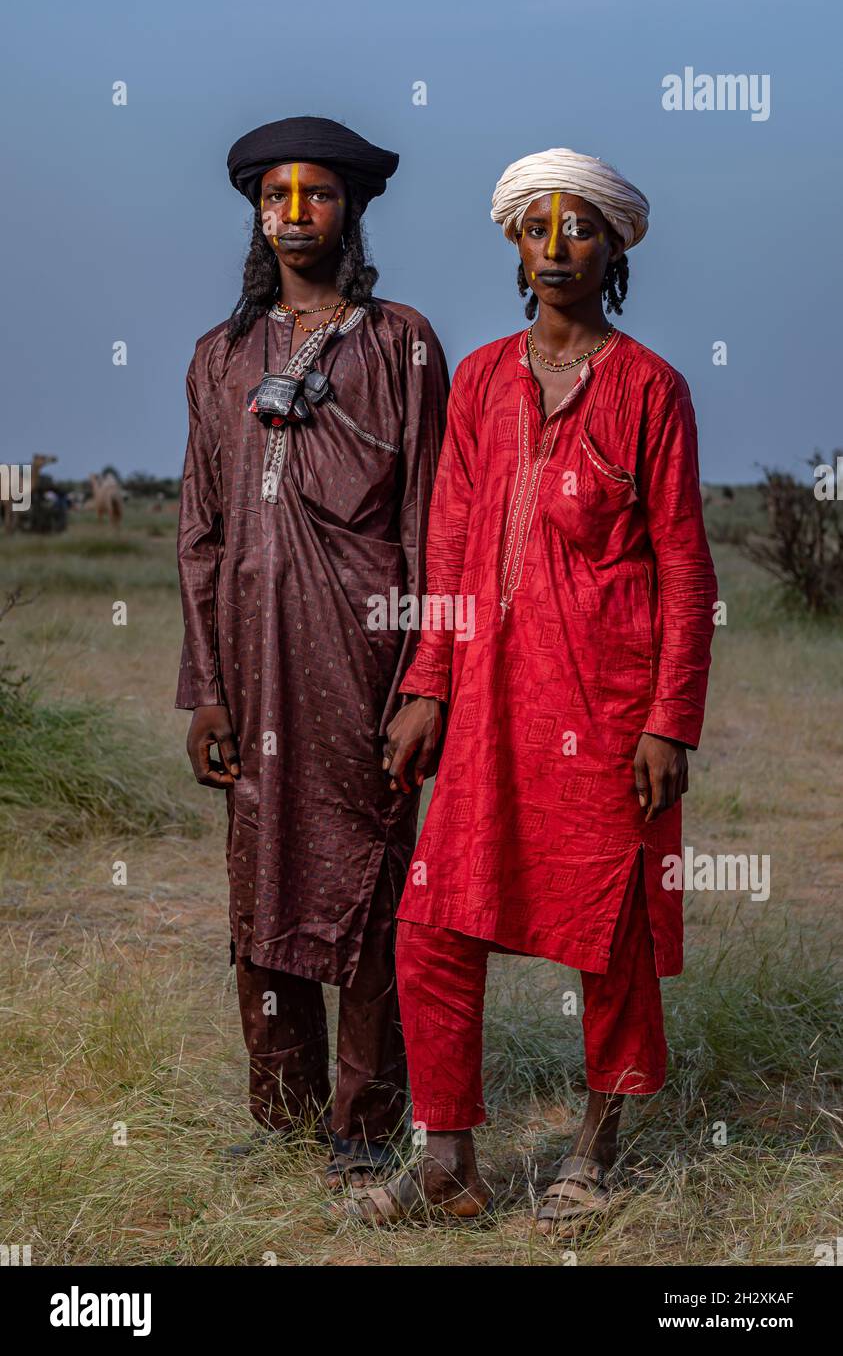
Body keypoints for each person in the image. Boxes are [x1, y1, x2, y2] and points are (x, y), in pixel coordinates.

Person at [338, 147, 718, 1229]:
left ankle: (593, 1149)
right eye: (536, 227)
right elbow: (451, 542)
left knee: (613, 931)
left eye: (580, 227)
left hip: (603, 710)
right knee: (434, 922)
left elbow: (687, 567)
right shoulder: (480, 380)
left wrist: (668, 719)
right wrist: (425, 684)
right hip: (485, 706)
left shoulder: (652, 390)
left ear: (614, 248)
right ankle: (449, 1161)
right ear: (513, 242)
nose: (556, 247)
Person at [175, 116, 448, 1187]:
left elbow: (434, 522)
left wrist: (428, 679)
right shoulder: (219, 358)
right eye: (276, 195)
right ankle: (281, 1108)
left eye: (318, 195)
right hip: (250, 661)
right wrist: (205, 690)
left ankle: (366, 1122)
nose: (296, 213)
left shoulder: (403, 343)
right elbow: (199, 534)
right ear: (255, 212)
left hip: (367, 658)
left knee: (372, 882)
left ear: (352, 211)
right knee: (262, 881)